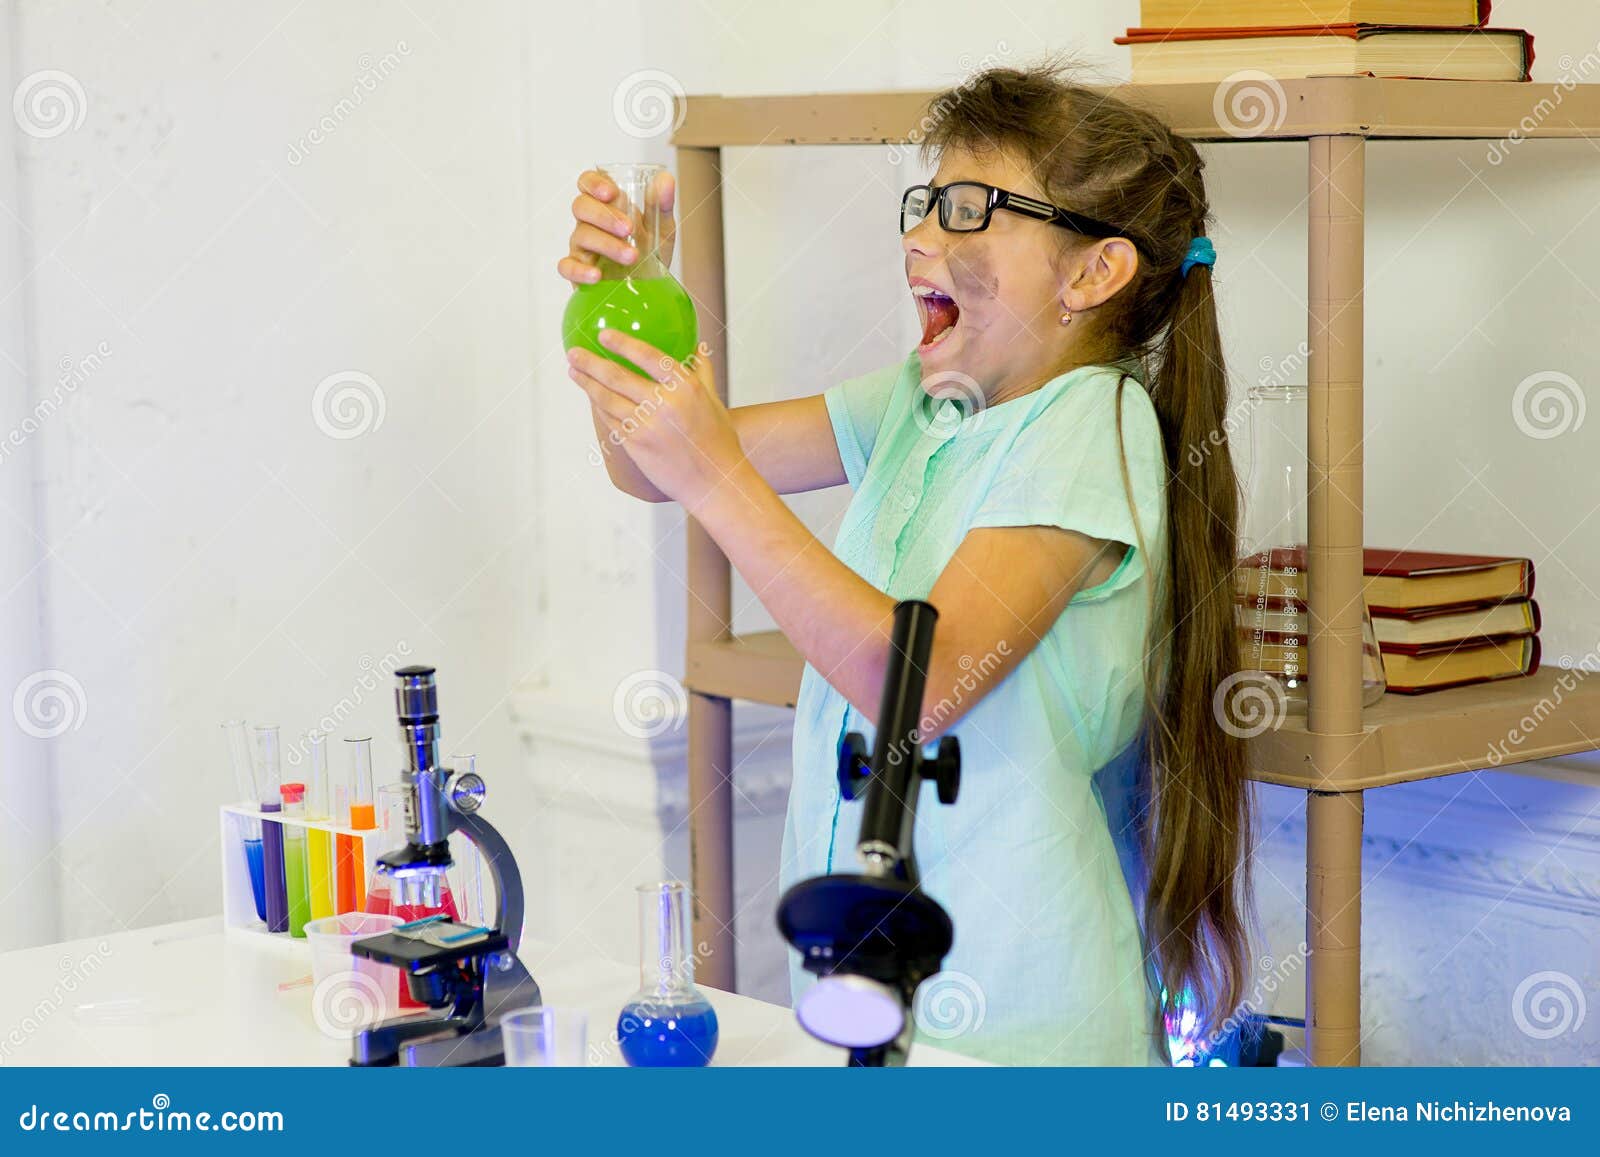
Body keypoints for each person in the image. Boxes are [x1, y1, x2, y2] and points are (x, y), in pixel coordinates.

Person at [559, 59, 1255, 1066]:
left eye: (971, 208)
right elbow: (650, 465)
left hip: (1018, 1033)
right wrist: (628, 312)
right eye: (926, 202)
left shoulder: (1092, 421)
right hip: (878, 1002)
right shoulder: (924, 398)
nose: (920, 236)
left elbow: (922, 684)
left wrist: (715, 476)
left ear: (1093, 274)